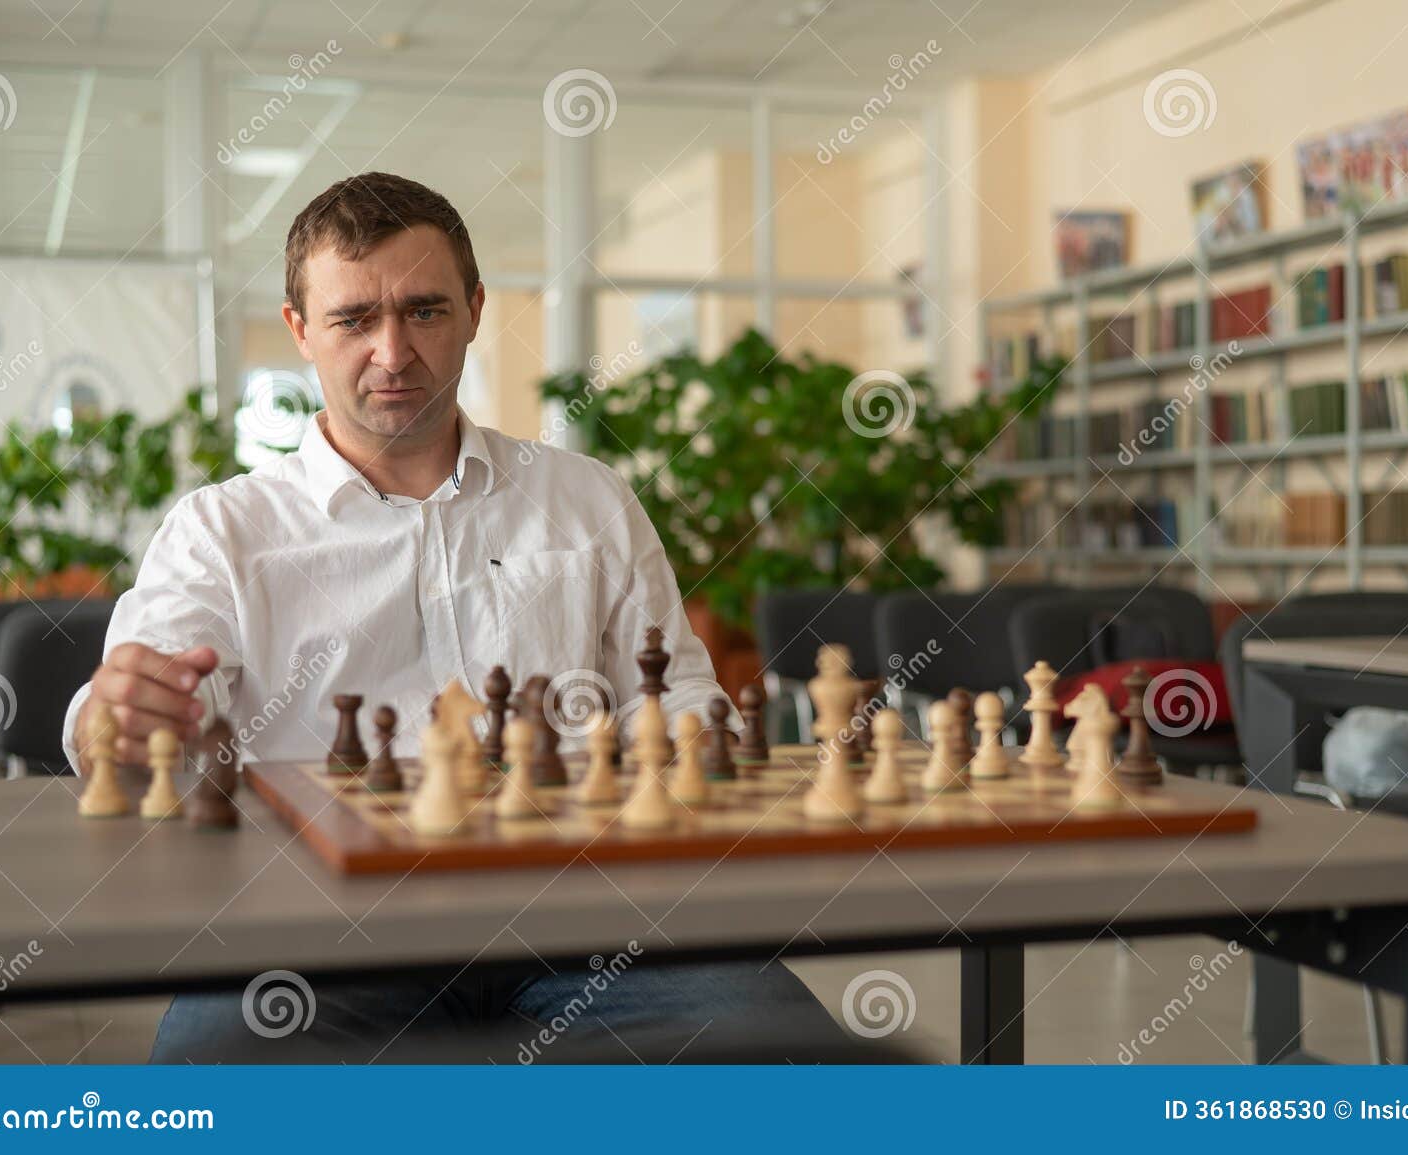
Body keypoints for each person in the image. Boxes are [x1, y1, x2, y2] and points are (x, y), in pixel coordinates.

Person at [62, 171, 839, 1063]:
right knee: (214, 1077)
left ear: (473, 310)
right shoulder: (220, 531)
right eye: (355, 319)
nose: (392, 353)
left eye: (424, 311)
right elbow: (120, 720)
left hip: (600, 928)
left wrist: (702, 761)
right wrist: (111, 718)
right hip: (318, 943)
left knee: (794, 1058)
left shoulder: (586, 499)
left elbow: (681, 699)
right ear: (299, 331)